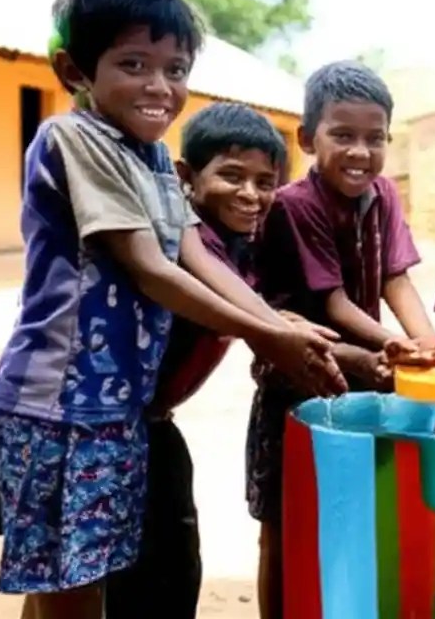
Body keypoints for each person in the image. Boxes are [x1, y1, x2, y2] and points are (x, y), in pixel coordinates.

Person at [0, 0, 340, 619]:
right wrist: (270, 333)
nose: (159, 87)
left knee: (74, 580)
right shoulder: (74, 138)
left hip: (115, 410)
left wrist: (278, 324)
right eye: (134, 63)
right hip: (60, 407)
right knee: (68, 592)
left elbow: (194, 255)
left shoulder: (155, 158)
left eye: (175, 68)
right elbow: (149, 268)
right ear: (74, 68)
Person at [250, 60, 435, 618]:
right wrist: (399, 346)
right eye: (343, 136)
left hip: (359, 384)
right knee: (283, 527)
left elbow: (395, 278)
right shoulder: (295, 204)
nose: (361, 152)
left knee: (354, 515)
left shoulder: (382, 194)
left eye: (374, 138)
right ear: (308, 138)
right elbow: (332, 301)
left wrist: (429, 340)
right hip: (293, 383)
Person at [102, 102, 290, 619]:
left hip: (157, 426)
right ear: (185, 177)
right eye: (232, 176)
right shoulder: (184, 244)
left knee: (173, 569)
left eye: (264, 181)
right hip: (115, 428)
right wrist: (284, 339)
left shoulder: (244, 245)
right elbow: (235, 314)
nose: (250, 195)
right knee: (110, 580)